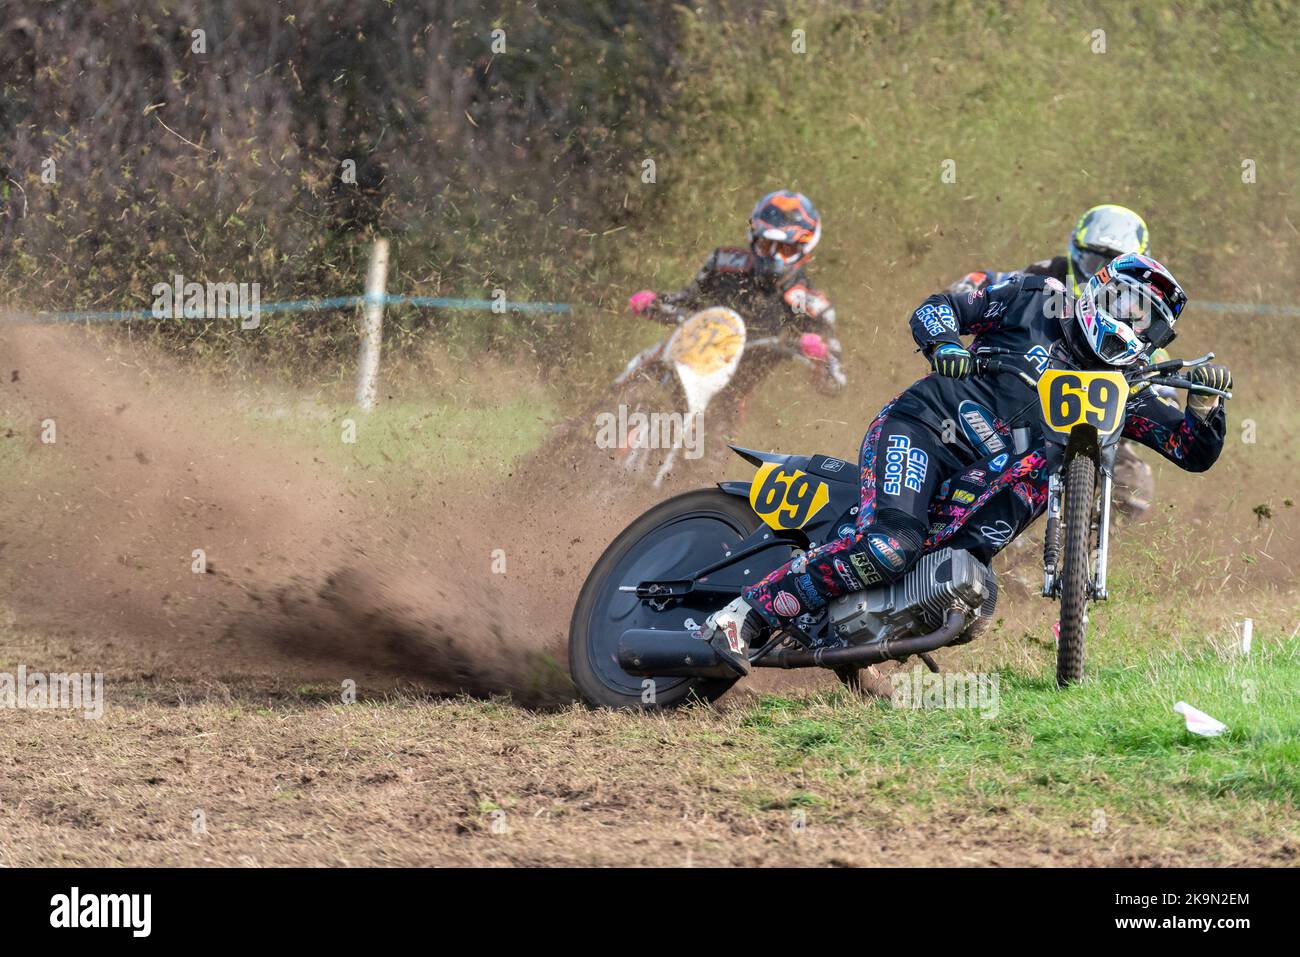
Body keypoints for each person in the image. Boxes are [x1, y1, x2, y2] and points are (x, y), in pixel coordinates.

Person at [698, 254, 1231, 674]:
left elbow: (1192, 452)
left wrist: (1206, 407)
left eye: (1149, 324)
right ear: (1099, 288)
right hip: (925, 431)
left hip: (988, 490)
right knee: (889, 544)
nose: (1130, 324)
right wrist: (945, 344)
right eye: (1126, 304)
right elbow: (937, 309)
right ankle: (745, 615)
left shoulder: (1128, 389)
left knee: (967, 591)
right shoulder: (1036, 300)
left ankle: (857, 632)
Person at [947, 204, 1165, 515]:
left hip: (1098, 407)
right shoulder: (1047, 274)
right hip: (1029, 393)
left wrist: (1160, 381)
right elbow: (996, 283)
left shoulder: (1133, 297)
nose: (1101, 270)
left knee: (1134, 487)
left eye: (1113, 262)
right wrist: (972, 285)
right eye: (1094, 259)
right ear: (1077, 252)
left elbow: (1153, 349)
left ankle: (1088, 548)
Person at [627, 190, 846, 394]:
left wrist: (821, 356)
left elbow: (835, 382)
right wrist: (655, 302)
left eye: (785, 248)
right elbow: (688, 299)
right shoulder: (724, 263)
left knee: (722, 429)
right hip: (688, 356)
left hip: (730, 391)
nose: (773, 255)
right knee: (648, 361)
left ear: (804, 250)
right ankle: (602, 408)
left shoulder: (812, 304)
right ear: (753, 237)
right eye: (766, 244)